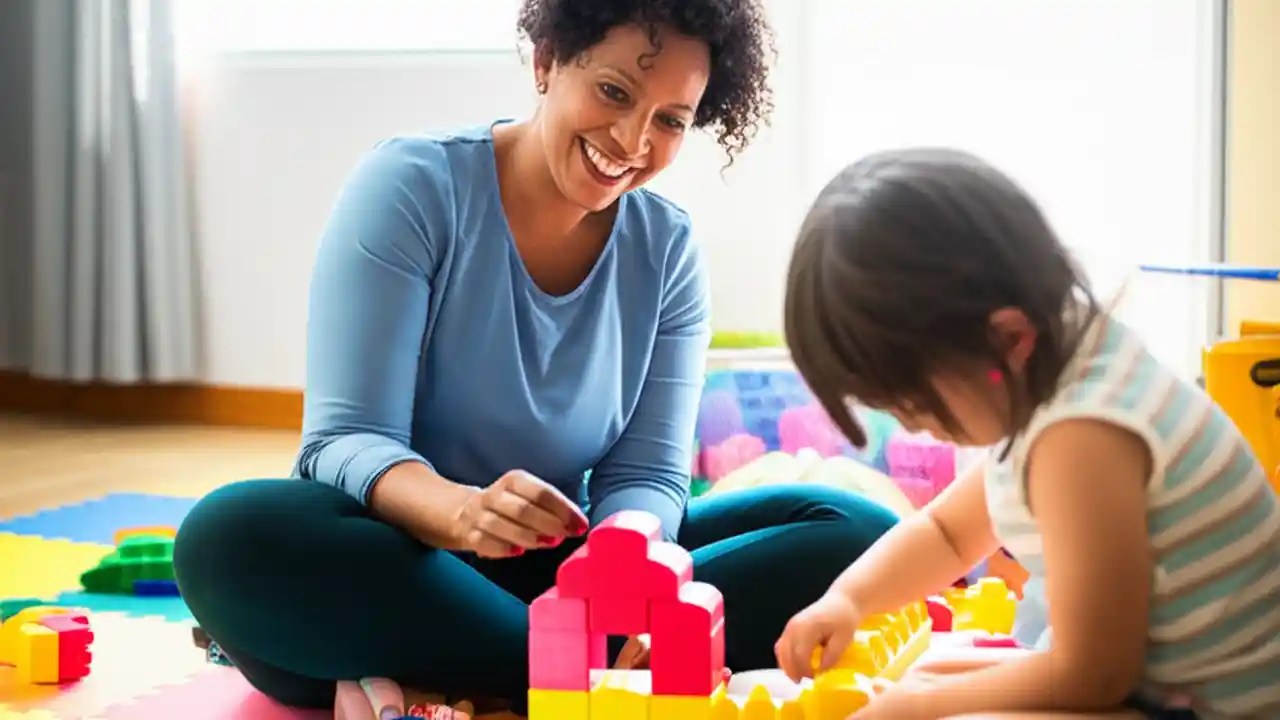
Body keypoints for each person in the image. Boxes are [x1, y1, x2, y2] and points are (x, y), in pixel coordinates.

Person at [172, 1, 901, 717]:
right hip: (405, 557)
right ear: (548, 63)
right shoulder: (412, 188)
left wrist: (625, 575)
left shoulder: (667, 251)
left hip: (567, 574)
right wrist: (461, 514)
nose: (631, 139)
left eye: (670, 121)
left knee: (854, 532)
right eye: (613, 91)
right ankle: (583, 673)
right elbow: (343, 440)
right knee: (230, 538)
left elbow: (646, 476)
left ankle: (508, 666)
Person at [772, 147, 1280, 719]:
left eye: (915, 404)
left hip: (1212, 706)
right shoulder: (1057, 369)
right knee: (937, 669)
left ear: (1008, 339)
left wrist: (920, 708)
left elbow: (1094, 675)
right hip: (1148, 678)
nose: (916, 428)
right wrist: (848, 600)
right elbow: (947, 533)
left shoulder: (1082, 436)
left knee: (942, 706)